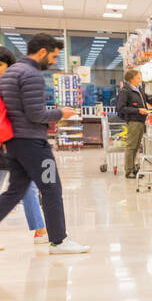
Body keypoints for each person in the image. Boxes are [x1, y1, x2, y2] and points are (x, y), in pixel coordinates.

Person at [0, 33, 90, 255]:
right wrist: (62, 113)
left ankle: (58, 239)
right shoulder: (31, 75)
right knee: (51, 187)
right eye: (53, 56)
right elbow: (36, 113)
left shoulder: (10, 73)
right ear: (42, 52)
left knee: (15, 191)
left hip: (14, 143)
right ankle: (59, 241)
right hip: (33, 144)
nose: (53, 61)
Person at [0, 47, 49, 247]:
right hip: (7, 141)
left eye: (1, 65)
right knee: (21, 187)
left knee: (27, 186)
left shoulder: (12, 85)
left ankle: (40, 229)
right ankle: (40, 228)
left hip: (14, 141)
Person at [116, 68, 152, 178]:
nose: (140, 79)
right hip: (133, 121)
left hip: (140, 121)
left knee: (136, 146)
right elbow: (121, 108)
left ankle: (133, 168)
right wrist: (138, 110)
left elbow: (150, 100)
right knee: (131, 146)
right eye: (138, 77)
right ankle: (128, 170)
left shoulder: (139, 89)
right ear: (132, 79)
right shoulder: (125, 91)